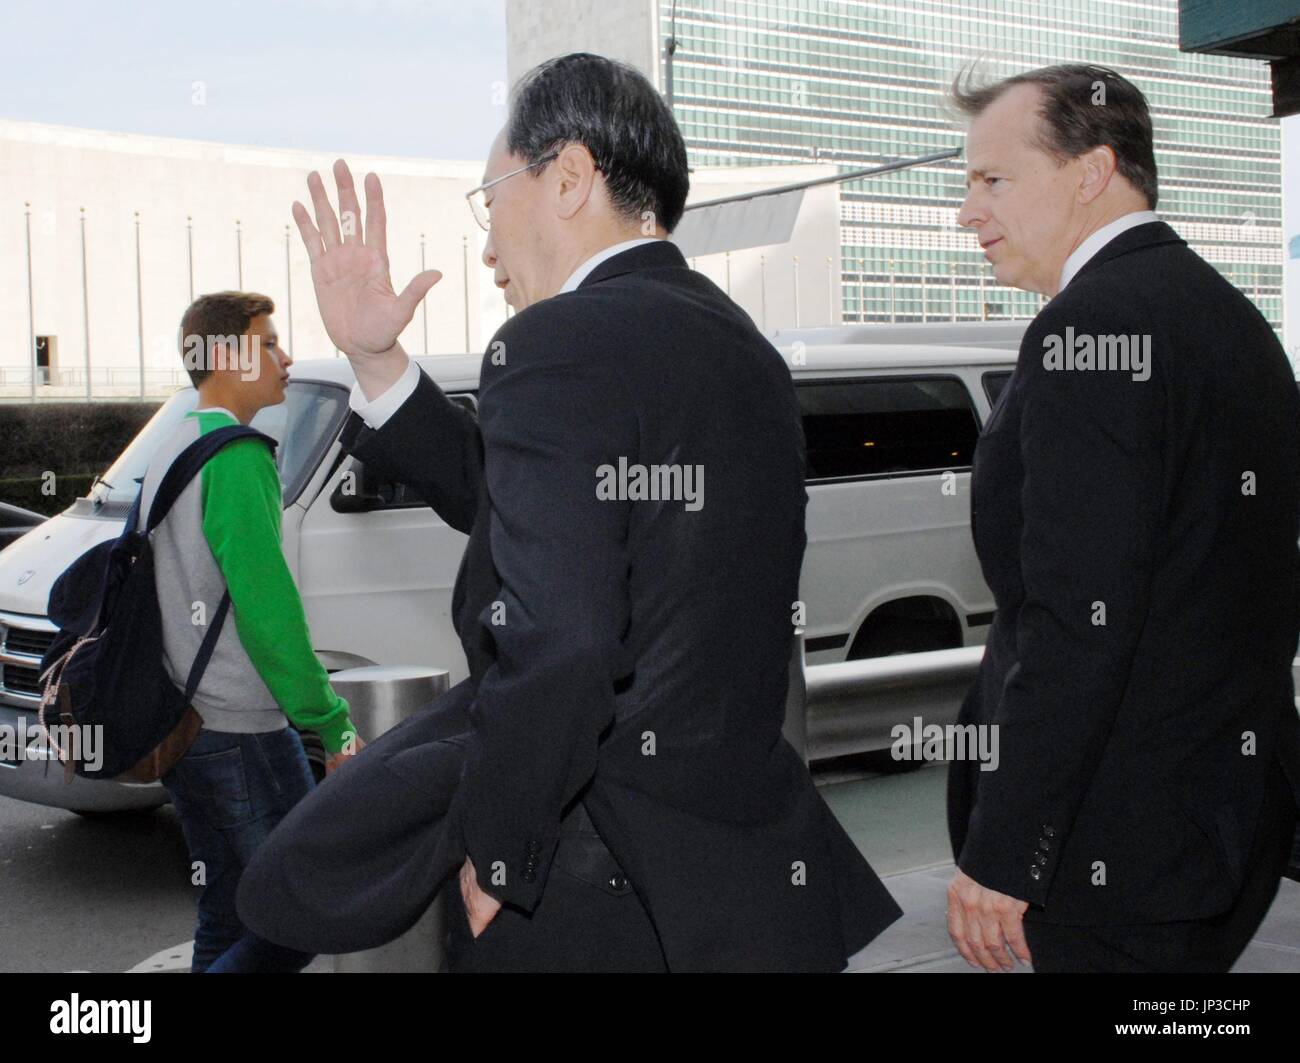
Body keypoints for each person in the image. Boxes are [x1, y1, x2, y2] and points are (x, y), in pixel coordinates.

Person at [285, 52, 902, 971]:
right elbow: (558, 518)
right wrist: (382, 366)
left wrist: (501, 850)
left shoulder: (554, 342)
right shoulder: (743, 350)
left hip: (589, 886)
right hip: (739, 879)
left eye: (491, 197)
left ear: (568, 178)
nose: (487, 247)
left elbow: (566, 640)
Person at [944, 64, 1300, 973]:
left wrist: (1005, 849)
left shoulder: (1087, 331)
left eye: (992, 179)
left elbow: (1077, 621)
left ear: (1092, 171)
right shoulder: (1235, 322)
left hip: (1109, 851)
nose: (967, 212)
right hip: (1223, 827)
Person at [142, 291, 361, 973]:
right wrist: (328, 720)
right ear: (226, 358)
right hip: (242, 732)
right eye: (268, 344)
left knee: (228, 906)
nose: (285, 358)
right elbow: (269, 616)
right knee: (302, 911)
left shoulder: (172, 446)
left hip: (183, 724)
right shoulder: (237, 458)